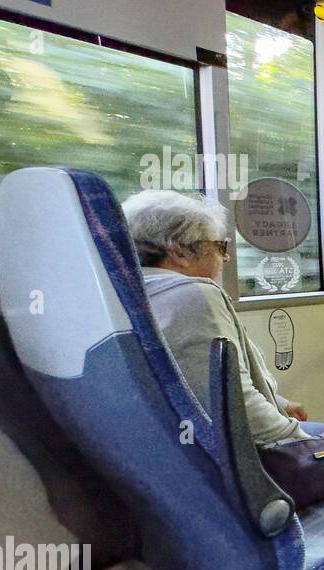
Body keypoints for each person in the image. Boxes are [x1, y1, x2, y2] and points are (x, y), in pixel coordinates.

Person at [121, 190, 311, 444]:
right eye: (220, 246)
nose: (226, 257)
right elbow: (238, 407)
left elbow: (191, 376)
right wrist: (305, 443)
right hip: (228, 455)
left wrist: (279, 403)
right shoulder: (192, 295)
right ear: (180, 251)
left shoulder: (129, 291)